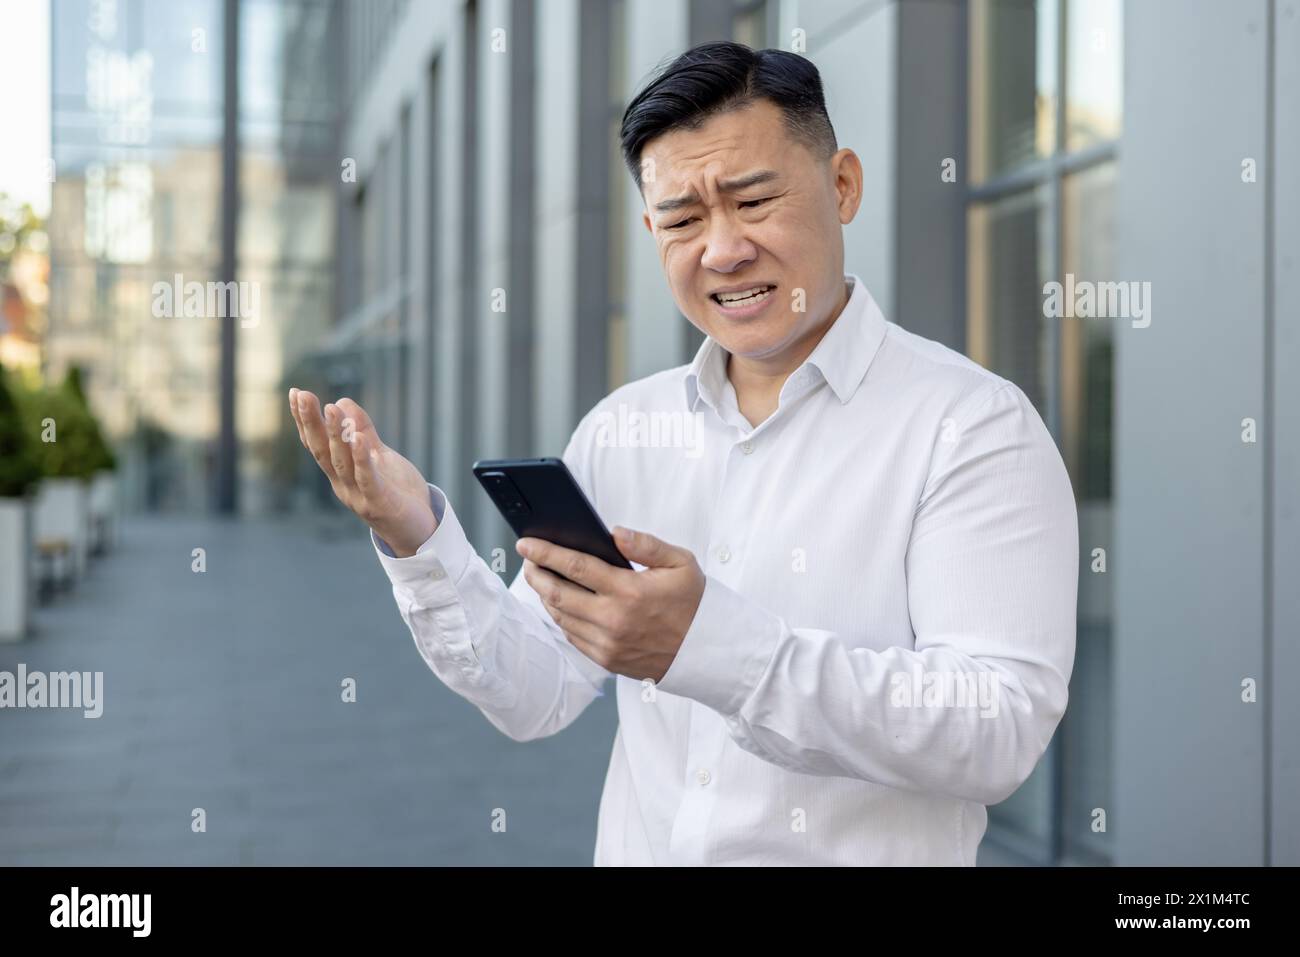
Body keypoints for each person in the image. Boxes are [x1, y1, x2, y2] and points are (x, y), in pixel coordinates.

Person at [288, 41, 1078, 866]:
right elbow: (534, 691)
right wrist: (418, 538)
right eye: (683, 220)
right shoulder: (622, 428)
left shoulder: (973, 428)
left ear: (842, 185)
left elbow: (998, 729)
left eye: (754, 200)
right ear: (651, 230)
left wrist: (709, 647)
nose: (723, 249)